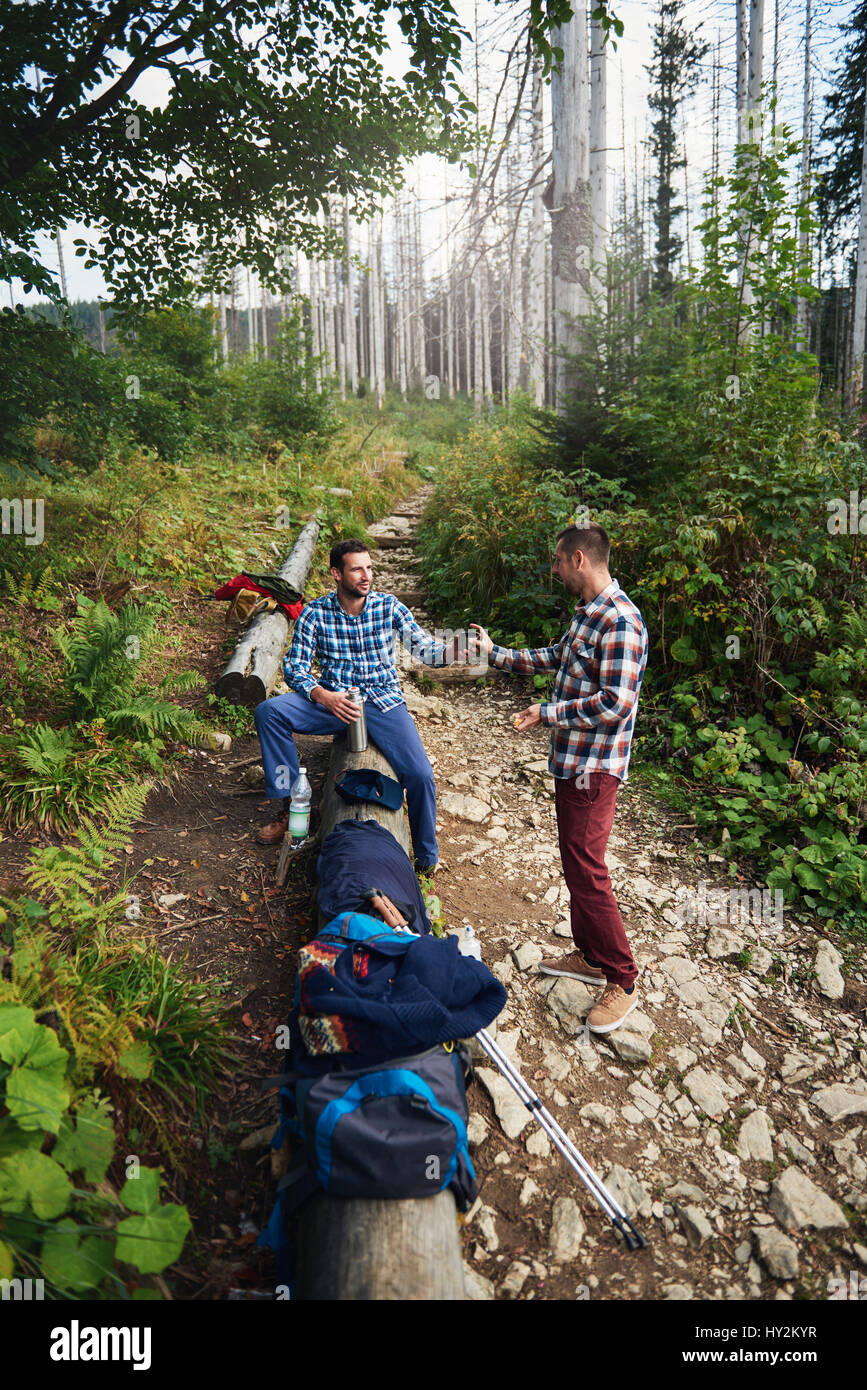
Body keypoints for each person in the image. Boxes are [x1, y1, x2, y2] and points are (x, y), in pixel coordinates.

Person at [471, 522, 648, 1035]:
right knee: (575, 862)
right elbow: (556, 657)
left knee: (589, 870)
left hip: (594, 767)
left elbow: (617, 703)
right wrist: (496, 653)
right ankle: (592, 959)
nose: (552, 569)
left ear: (578, 559)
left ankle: (623, 978)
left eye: (556, 560)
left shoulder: (621, 622)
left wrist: (547, 713)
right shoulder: (587, 615)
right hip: (573, 762)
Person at [254, 538, 469, 871]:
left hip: (382, 703)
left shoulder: (389, 606)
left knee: (421, 775)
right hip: (334, 703)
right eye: (357, 569)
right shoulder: (315, 612)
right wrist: (322, 695)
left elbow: (424, 648)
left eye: (369, 568)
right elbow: (295, 667)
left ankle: (426, 858)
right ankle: (293, 807)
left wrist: (451, 652)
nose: (366, 575)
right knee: (269, 712)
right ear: (337, 574)